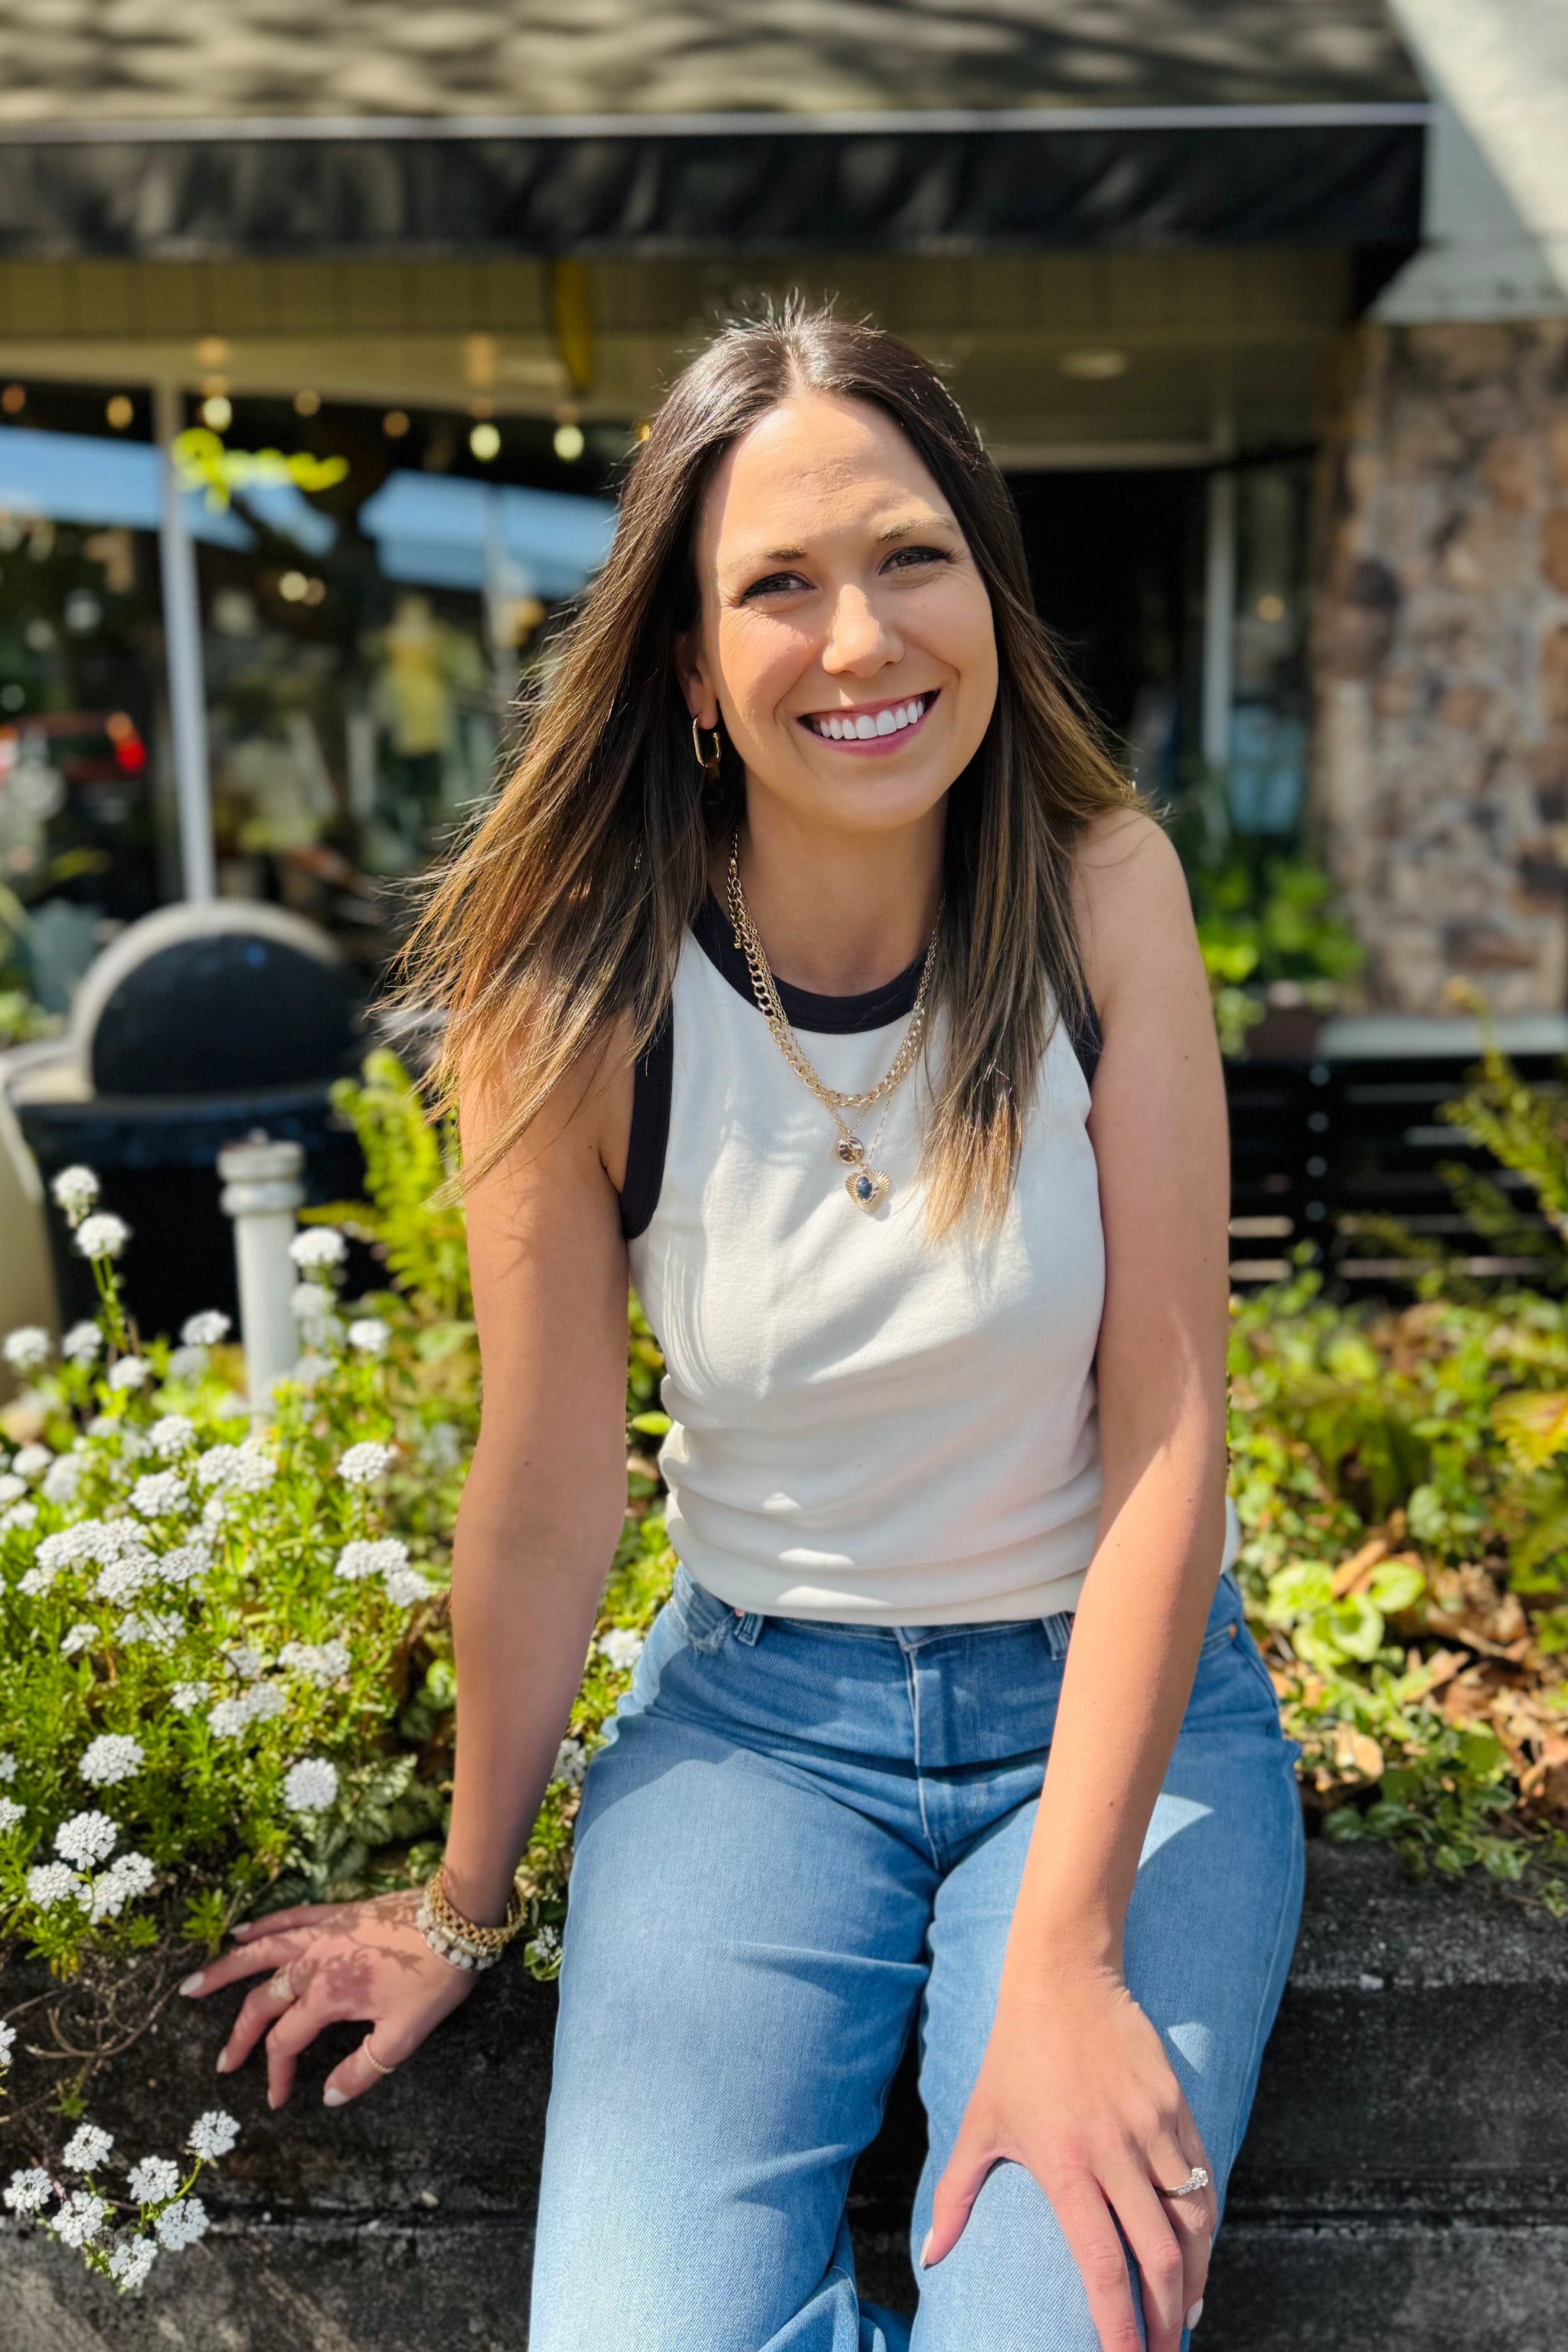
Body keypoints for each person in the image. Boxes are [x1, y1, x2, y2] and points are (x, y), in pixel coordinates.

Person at [181, 308, 1305, 2352]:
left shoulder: (1103, 895)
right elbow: (547, 1486)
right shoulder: (574, 994)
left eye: (911, 558)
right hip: (756, 1732)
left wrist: (1065, 1957)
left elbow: (1169, 1431)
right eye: (780, 585)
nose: (862, 641)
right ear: (692, 664)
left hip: (1118, 1740)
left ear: (989, 591)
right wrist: (460, 1899)